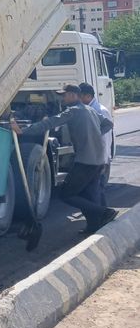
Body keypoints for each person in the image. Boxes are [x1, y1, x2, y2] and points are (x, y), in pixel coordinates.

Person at [11, 84, 117, 234]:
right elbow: (108, 124)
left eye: (64, 95)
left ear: (73, 95)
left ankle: (105, 212)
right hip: (99, 160)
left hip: (85, 162)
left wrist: (23, 131)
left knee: (67, 194)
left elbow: (50, 123)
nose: (62, 98)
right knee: (85, 194)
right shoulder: (90, 110)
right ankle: (94, 226)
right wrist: (94, 135)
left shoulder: (73, 111)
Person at [79, 82, 113, 206]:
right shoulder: (88, 110)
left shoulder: (100, 111)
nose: (78, 99)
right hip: (95, 158)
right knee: (95, 191)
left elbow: (105, 139)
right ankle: (103, 214)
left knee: (97, 190)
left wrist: (103, 160)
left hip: (100, 158)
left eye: (80, 96)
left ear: (88, 96)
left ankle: (103, 214)